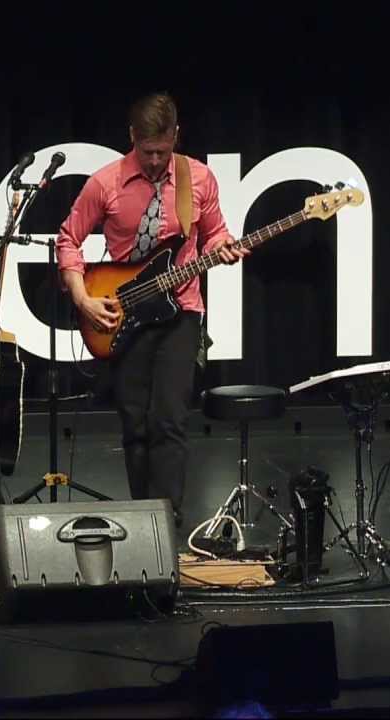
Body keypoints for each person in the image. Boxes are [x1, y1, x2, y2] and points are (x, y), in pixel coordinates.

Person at [55, 91, 248, 529]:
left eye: (163, 151)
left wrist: (224, 248)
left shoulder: (198, 178)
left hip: (181, 310)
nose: (157, 161)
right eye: (148, 152)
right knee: (135, 422)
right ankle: (142, 519)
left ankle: (165, 518)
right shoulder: (104, 183)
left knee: (170, 419)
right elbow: (68, 240)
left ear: (176, 136)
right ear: (132, 139)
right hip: (125, 314)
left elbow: (215, 232)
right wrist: (83, 299)